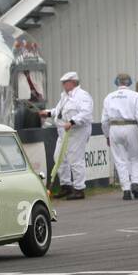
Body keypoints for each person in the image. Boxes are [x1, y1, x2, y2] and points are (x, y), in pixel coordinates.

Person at [41, 72, 93, 200]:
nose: (63, 85)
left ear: (73, 82)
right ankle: (66, 186)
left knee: (75, 159)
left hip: (77, 132)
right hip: (63, 131)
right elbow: (59, 112)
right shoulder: (64, 96)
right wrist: (47, 113)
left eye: (65, 82)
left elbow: (85, 113)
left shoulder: (82, 96)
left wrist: (72, 121)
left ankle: (79, 189)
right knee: (58, 157)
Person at [104, 73, 138, 200]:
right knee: (135, 158)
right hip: (131, 126)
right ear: (129, 82)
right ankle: (135, 182)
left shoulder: (109, 97)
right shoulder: (135, 96)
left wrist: (107, 135)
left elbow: (104, 120)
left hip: (114, 127)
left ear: (117, 82)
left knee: (120, 160)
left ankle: (126, 189)